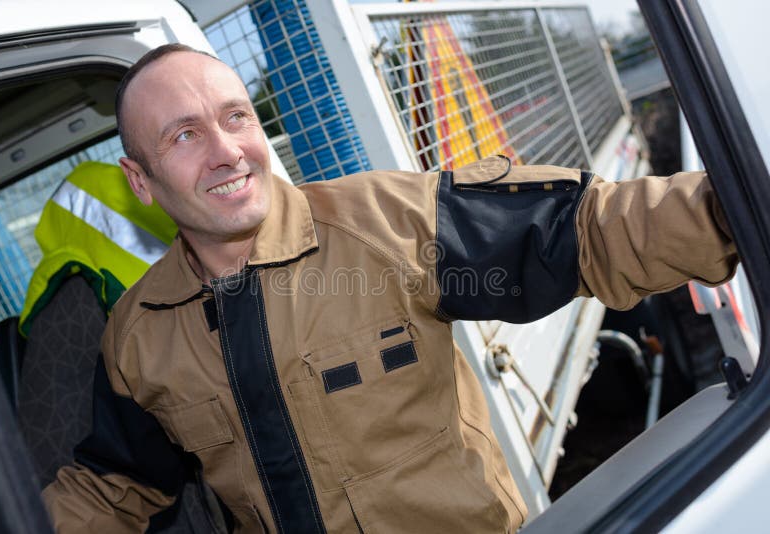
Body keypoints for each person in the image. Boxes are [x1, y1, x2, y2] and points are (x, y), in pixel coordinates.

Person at [42, 44, 738, 533]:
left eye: (236, 117)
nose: (226, 151)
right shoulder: (138, 334)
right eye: (184, 135)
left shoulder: (386, 224)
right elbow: (118, 486)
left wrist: (735, 206)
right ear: (141, 180)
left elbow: (587, 231)